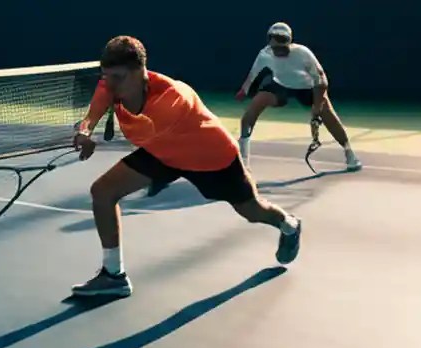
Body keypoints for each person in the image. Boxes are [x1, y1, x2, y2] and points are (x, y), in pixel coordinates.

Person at [71, 36, 304, 298]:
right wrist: (84, 131)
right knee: (103, 191)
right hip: (163, 152)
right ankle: (114, 275)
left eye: (118, 77)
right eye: (106, 76)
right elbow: (93, 113)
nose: (110, 84)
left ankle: (289, 224)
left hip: (209, 156)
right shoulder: (112, 85)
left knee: (252, 210)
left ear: (140, 72)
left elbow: (145, 131)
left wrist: (155, 177)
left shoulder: (171, 99)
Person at [235, 22, 361, 171]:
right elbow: (253, 74)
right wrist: (244, 90)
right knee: (249, 114)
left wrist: (317, 107)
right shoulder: (264, 54)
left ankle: (349, 153)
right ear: (270, 43)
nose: (279, 51)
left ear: (289, 42)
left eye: (282, 47)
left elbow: (321, 79)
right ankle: (244, 161)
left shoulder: (303, 53)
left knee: (327, 113)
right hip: (280, 85)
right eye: (276, 47)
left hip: (307, 87)